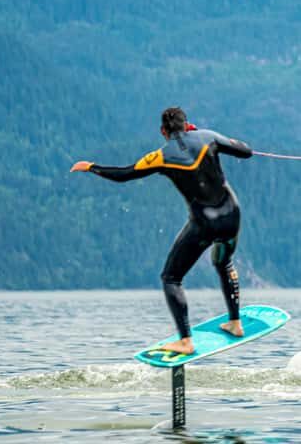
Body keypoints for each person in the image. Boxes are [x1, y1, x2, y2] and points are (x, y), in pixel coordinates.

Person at [70, 107, 253, 354]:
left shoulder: (160, 156)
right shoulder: (208, 137)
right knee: (224, 262)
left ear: (163, 132)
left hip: (203, 225)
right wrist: (211, 138)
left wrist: (92, 167)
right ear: (187, 125)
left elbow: (124, 174)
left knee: (171, 278)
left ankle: (185, 341)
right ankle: (235, 323)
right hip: (231, 215)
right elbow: (246, 151)